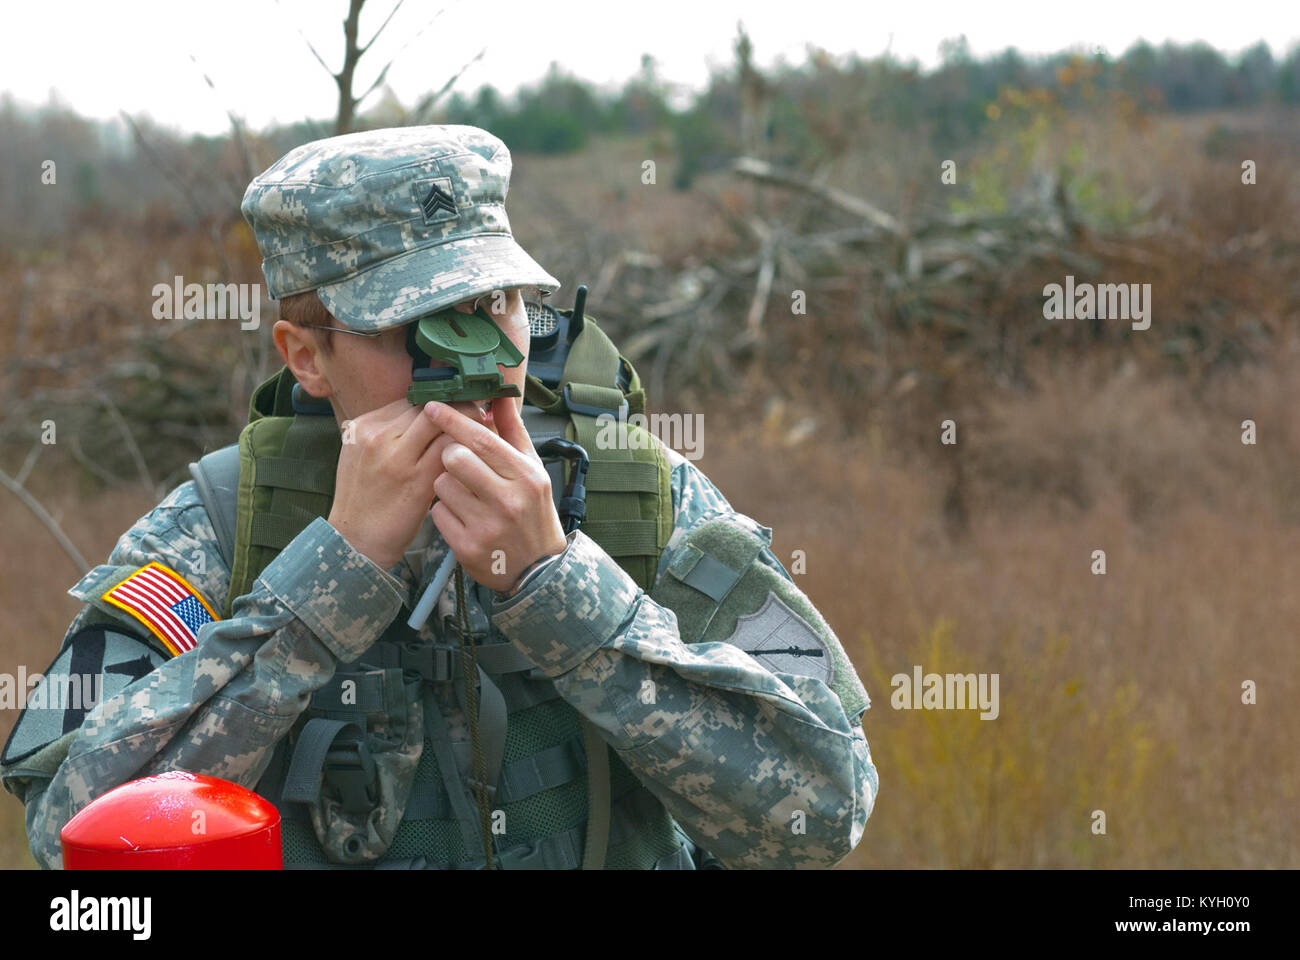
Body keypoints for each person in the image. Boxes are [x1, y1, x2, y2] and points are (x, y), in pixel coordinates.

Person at [0, 125, 878, 869]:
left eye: (494, 305)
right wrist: (323, 590)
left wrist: (560, 589)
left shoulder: (631, 496)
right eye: (410, 331)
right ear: (306, 356)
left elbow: (826, 812)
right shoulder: (227, 523)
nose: (470, 367)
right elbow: (65, 834)